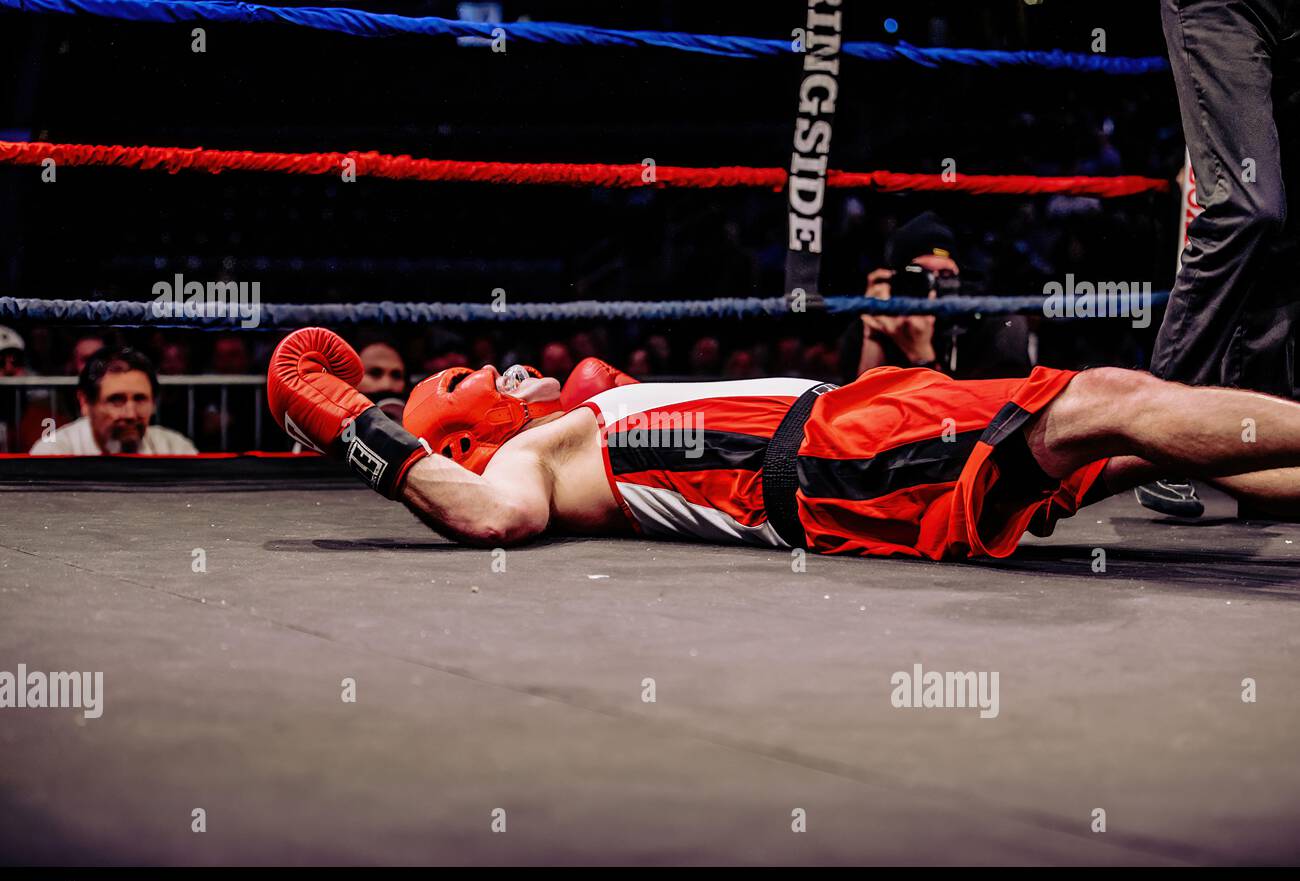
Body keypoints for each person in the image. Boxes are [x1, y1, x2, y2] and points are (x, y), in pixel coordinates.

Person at [267, 328, 1300, 560]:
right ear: (462, 430)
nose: (499, 370)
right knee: (1109, 401)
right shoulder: (525, 459)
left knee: (1141, 440)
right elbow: (487, 512)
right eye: (468, 382)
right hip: (837, 457)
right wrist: (347, 420)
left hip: (858, 423)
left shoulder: (591, 407)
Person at [1139, 0, 1300, 519]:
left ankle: (1256, 458)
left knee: (1290, 229)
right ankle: (1157, 436)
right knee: (1247, 205)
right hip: (1227, 6)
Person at [837, 212, 1030, 383]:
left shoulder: (993, 324)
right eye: (921, 276)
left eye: (945, 276)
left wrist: (920, 356)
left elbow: (991, 417)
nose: (933, 288)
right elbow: (859, 410)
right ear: (896, 281)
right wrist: (874, 334)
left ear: (959, 278)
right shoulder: (873, 324)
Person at [30, 346, 197, 455]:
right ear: (85, 402)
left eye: (140, 399)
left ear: (153, 403)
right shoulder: (54, 453)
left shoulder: (175, 449)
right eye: (116, 400)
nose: (131, 414)